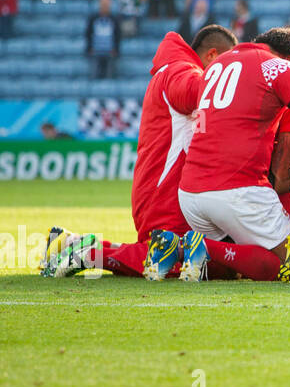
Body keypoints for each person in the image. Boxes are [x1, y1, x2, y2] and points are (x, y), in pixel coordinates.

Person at [160, 27, 290, 285]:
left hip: (191, 192)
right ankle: (184, 248)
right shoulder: (280, 67)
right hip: (238, 190)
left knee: (231, 268)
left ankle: (185, 247)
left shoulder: (220, 62)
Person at [40, 26, 240, 279]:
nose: (232, 74)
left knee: (199, 259)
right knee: (176, 261)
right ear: (212, 56)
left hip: (164, 188)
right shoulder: (181, 71)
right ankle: (85, 253)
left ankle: (72, 244)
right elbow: (192, 93)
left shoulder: (174, 69)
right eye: (228, 65)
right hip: (165, 191)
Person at [85, 0, 121, 79]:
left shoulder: (114, 19)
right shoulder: (93, 18)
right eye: (103, 4)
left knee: (109, 76)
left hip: (110, 52)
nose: (105, 6)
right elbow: (88, 33)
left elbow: (118, 35)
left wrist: (116, 49)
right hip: (96, 51)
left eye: (107, 4)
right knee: (94, 75)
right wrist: (89, 48)